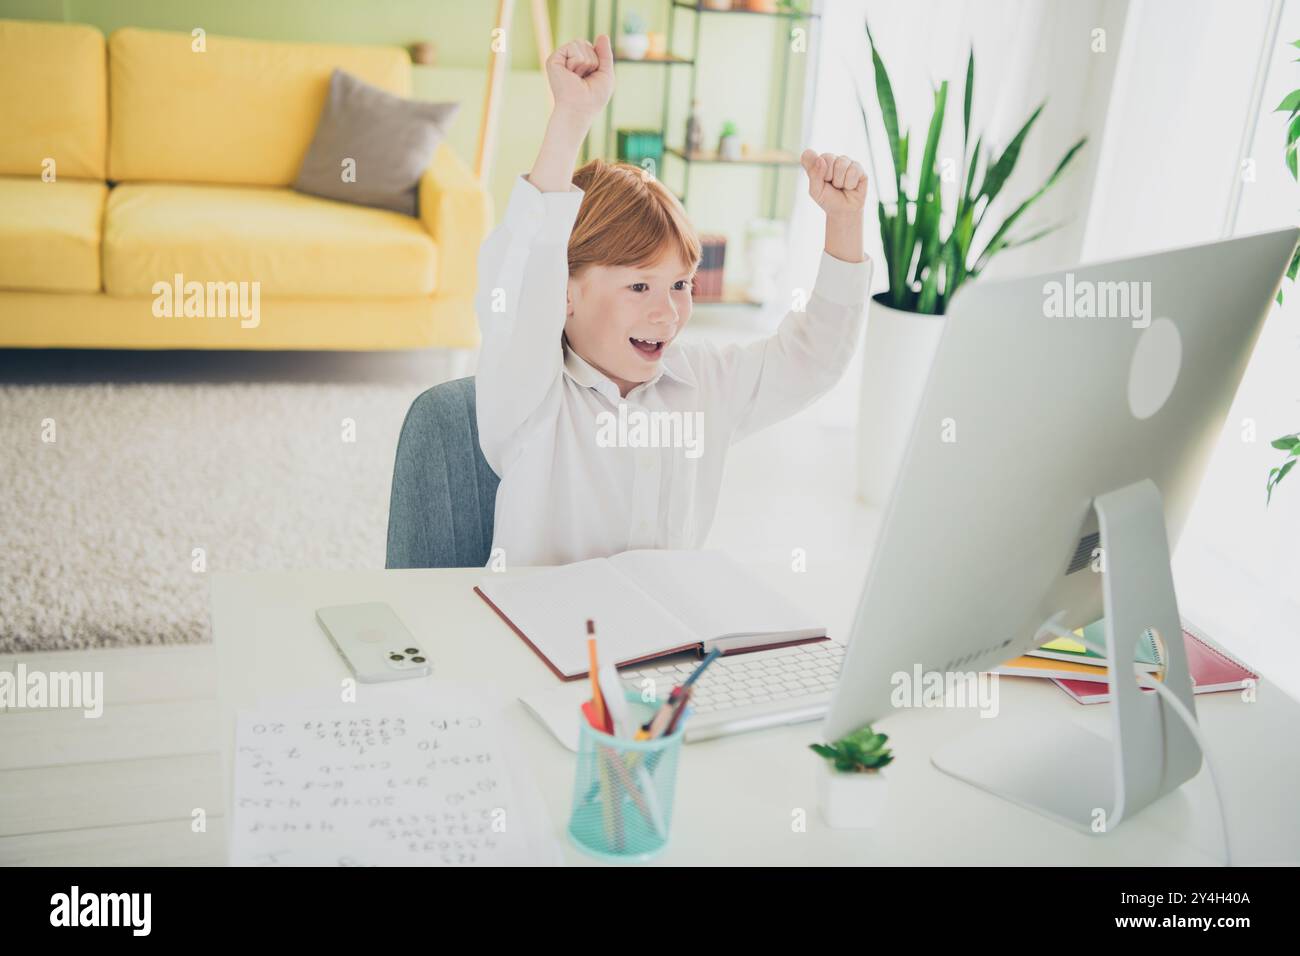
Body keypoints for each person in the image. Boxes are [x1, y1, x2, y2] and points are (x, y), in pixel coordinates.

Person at [474, 34, 872, 567]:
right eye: (639, 287)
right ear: (564, 294)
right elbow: (522, 274)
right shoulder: (528, 391)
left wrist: (843, 222)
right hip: (548, 641)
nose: (668, 314)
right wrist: (571, 116)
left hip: (665, 641)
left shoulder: (702, 383)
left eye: (680, 285)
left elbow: (813, 359)